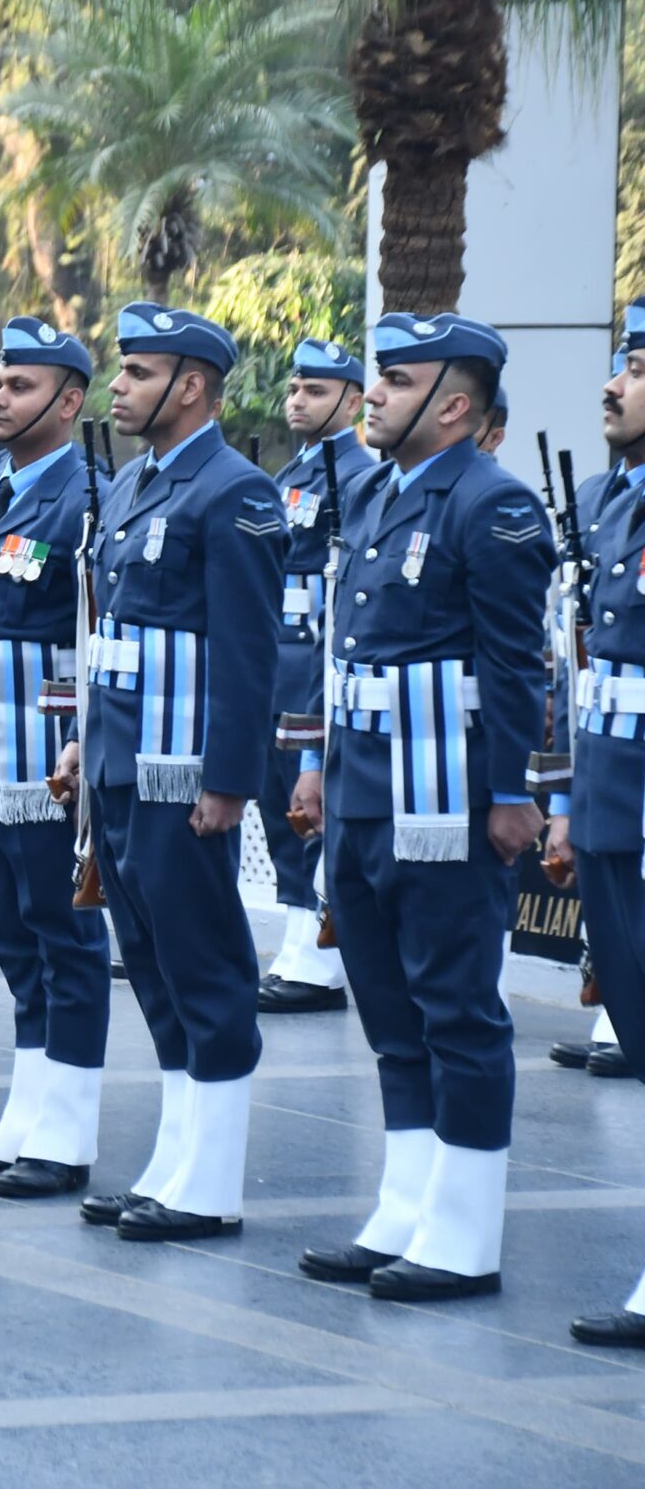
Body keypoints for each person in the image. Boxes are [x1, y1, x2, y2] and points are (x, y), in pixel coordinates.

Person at [285, 313, 546, 1301]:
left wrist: (512, 790)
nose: (375, 395)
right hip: (361, 792)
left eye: (396, 382)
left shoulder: (492, 504)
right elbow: (344, 649)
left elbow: (516, 666)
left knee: (456, 1011)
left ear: (452, 404)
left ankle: (464, 1232)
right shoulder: (371, 493)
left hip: (444, 796)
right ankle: (406, 1205)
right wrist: (317, 763)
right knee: (391, 1012)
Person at [55, 304, 284, 1242]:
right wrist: (86, 741)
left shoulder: (233, 491)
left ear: (191, 386)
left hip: (182, 772)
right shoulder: (137, 484)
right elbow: (113, 638)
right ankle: (176, 1160)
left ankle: (212, 1180)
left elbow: (249, 649)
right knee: (152, 967)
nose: (118, 388)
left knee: (203, 964)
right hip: (120, 762)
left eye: (138, 373)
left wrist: (229, 780)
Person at [0, 318, 110, 1197]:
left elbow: (98, 632)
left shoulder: (86, 498)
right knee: (11, 938)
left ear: (69, 402)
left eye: (21, 386)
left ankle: (66, 1132)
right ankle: (29, 1110)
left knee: (61, 934)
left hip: (43, 752)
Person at [551, 295, 645, 1345]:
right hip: (616, 804)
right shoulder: (611, 504)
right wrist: (569, 805)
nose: (614, 384)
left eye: (639, 369)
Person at [256, 339, 373, 1015]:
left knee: (310, 814)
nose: (298, 400)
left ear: (352, 402)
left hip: (314, 660)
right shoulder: (290, 474)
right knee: (281, 814)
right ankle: (298, 942)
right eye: (296, 389)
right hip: (276, 660)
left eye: (317, 391)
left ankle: (321, 959)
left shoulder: (356, 476)